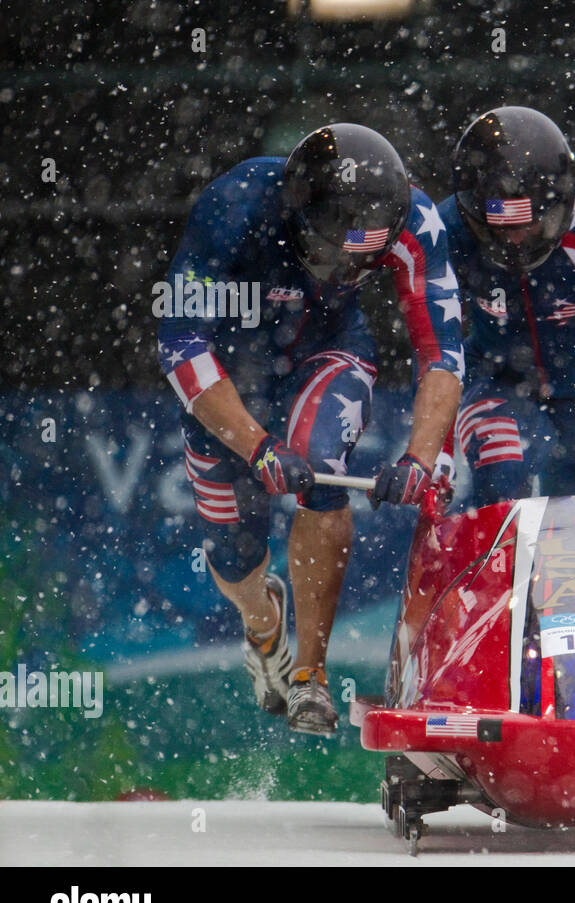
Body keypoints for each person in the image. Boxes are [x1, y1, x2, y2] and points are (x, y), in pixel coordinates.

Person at [157, 123, 464, 735]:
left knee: (323, 466)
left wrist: (421, 457)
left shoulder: (416, 221)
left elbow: (442, 354)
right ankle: (263, 624)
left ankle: (309, 678)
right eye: (327, 253)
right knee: (234, 552)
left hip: (328, 348)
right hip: (231, 367)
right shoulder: (235, 204)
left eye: (359, 264)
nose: (340, 272)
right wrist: (255, 443)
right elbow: (181, 341)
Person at [438, 106, 575, 506]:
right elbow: (435, 346)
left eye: (530, 223)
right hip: (498, 377)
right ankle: (494, 560)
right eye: (500, 227)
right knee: (502, 468)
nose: (516, 241)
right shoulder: (447, 234)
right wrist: (433, 456)